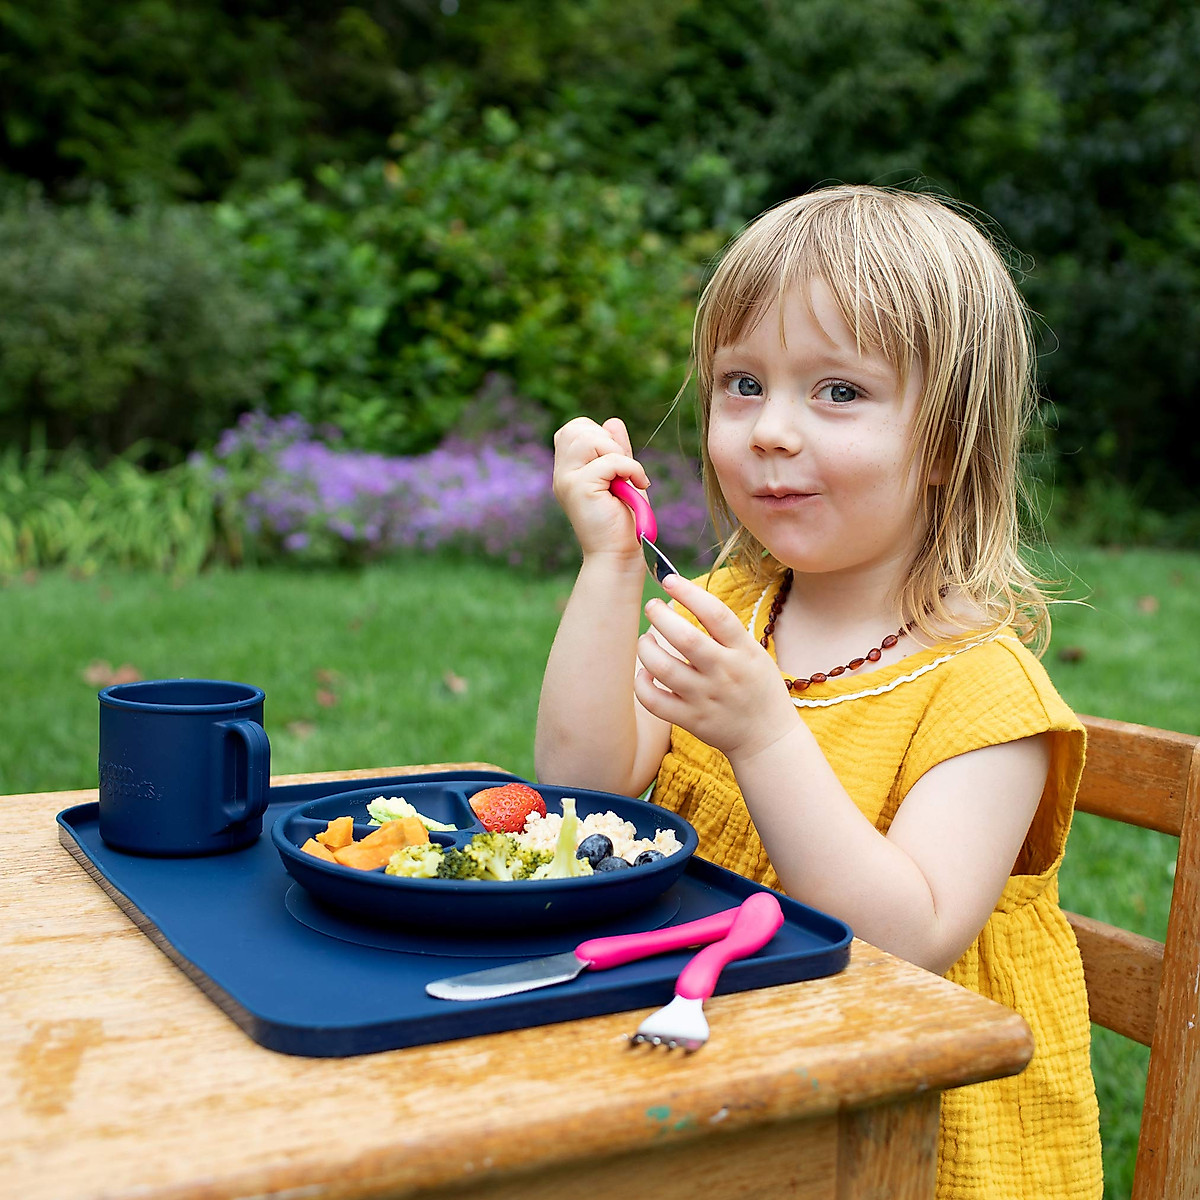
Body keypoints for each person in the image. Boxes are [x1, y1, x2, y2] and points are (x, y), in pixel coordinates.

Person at [535, 184, 1103, 1199]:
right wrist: (610, 568)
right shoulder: (734, 608)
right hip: (723, 1067)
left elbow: (912, 938)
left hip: (903, 1126)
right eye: (742, 384)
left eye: (838, 392)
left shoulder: (984, 695)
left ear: (947, 443)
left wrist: (763, 737)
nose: (771, 431)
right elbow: (585, 781)